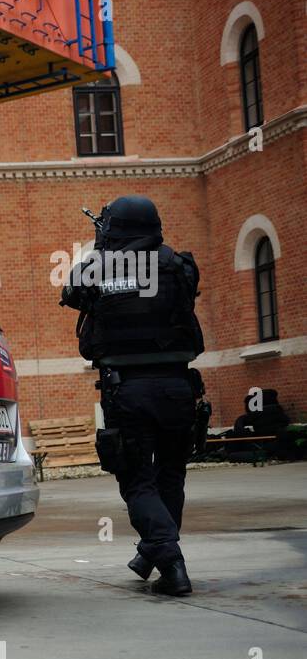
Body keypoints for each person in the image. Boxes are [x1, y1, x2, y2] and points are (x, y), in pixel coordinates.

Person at [61, 195, 205, 596]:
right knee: (172, 473)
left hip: (127, 390)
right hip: (178, 387)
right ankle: (152, 553)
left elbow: (71, 294)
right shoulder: (178, 264)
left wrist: (102, 251)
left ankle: (171, 562)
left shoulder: (95, 270)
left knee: (138, 480)